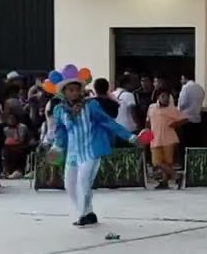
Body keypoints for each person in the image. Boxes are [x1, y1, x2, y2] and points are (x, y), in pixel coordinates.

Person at [48, 67, 144, 226]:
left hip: (92, 149)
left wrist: (131, 137)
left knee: (83, 181)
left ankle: (82, 215)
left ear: (80, 90)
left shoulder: (91, 106)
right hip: (73, 152)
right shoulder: (59, 110)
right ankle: (89, 212)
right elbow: (60, 132)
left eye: (75, 89)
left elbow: (109, 123)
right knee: (69, 184)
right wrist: (56, 148)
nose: (73, 93)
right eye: (69, 90)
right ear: (64, 92)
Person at [147, 89, 187, 189]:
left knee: (167, 162)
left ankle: (165, 182)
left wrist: (176, 124)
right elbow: (148, 122)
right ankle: (176, 175)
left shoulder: (172, 109)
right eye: (163, 96)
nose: (166, 99)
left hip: (168, 138)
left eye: (167, 97)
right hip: (155, 138)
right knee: (156, 162)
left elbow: (185, 119)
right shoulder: (151, 107)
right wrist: (145, 135)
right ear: (158, 97)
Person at [177, 71, 205, 152]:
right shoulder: (200, 88)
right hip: (197, 119)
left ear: (185, 78)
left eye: (182, 79)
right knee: (195, 144)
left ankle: (185, 163)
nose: (181, 81)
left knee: (185, 145)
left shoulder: (186, 88)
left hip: (186, 120)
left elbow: (181, 104)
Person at [2, 113, 35, 179]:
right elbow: (5, 140)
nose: (11, 120)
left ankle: (18, 171)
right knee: (6, 151)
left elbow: (22, 139)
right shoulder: (5, 129)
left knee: (17, 152)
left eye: (13, 119)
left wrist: (15, 131)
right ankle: (8, 171)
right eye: (9, 119)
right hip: (9, 147)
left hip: (21, 146)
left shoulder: (22, 127)